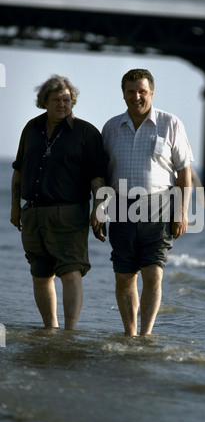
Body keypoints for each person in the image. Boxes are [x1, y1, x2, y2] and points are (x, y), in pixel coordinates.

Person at [102, 69, 194, 336]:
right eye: (131, 91)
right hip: (120, 206)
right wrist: (97, 210)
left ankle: (146, 334)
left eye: (142, 91)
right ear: (123, 94)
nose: (137, 96)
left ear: (151, 93)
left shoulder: (171, 123)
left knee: (153, 274)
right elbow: (102, 175)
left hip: (160, 205)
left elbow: (184, 172)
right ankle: (130, 334)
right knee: (124, 276)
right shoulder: (110, 127)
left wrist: (182, 212)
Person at [10, 75, 106, 330]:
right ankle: (49, 330)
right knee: (40, 274)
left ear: (72, 101)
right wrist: (14, 208)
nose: (62, 104)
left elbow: (98, 177)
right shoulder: (31, 128)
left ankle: (70, 331)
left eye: (66, 99)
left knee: (71, 271)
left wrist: (99, 208)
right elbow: (18, 170)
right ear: (44, 102)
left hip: (69, 213)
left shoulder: (87, 133)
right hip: (33, 213)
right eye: (56, 100)